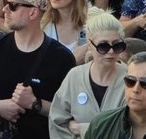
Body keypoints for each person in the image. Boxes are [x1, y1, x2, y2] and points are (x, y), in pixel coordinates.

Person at [0, 0, 76, 139]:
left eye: (13, 5)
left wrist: (35, 103)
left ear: (33, 12)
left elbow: (69, 112)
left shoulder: (61, 57)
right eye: (6, 3)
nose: (5, 9)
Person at [48, 11, 127, 139]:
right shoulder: (74, 76)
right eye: (103, 46)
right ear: (89, 46)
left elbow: (128, 130)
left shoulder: (131, 79)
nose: (111, 51)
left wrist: (82, 129)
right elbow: (57, 121)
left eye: (117, 45)